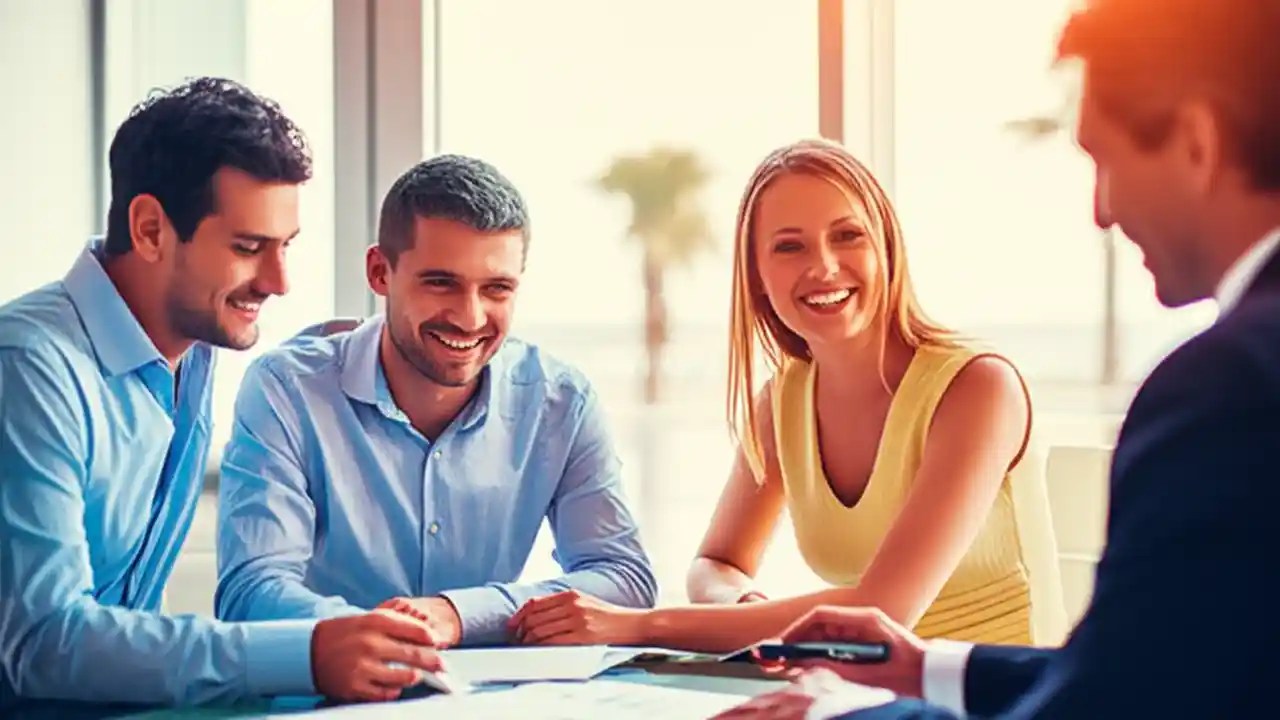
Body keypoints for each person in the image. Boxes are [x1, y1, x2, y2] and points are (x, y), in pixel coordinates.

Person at [716, 1, 1280, 717]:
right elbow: (1150, 665)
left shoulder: (1226, 385)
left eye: (1104, 161)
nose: (1101, 211)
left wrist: (847, 713)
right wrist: (926, 669)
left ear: (1197, 143)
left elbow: (1112, 703)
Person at [505, 138, 1067, 652]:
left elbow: (883, 610)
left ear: (887, 246)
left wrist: (640, 624)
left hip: (1009, 698)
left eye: (847, 236)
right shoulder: (783, 403)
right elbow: (715, 563)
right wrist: (743, 604)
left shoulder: (978, 389)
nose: (823, 267)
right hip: (872, 693)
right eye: (789, 247)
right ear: (757, 276)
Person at [0, 78, 441, 710]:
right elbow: (44, 644)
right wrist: (306, 654)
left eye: (285, 247)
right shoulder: (29, 369)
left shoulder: (192, 348)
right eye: (247, 247)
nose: (279, 282)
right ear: (150, 229)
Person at [213, 154, 658, 647]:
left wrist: (459, 614)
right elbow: (251, 593)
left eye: (497, 289)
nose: (470, 318)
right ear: (380, 272)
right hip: (332, 685)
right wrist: (381, 635)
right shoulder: (287, 389)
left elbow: (623, 579)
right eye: (442, 283)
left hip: (493, 687)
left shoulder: (561, 403)